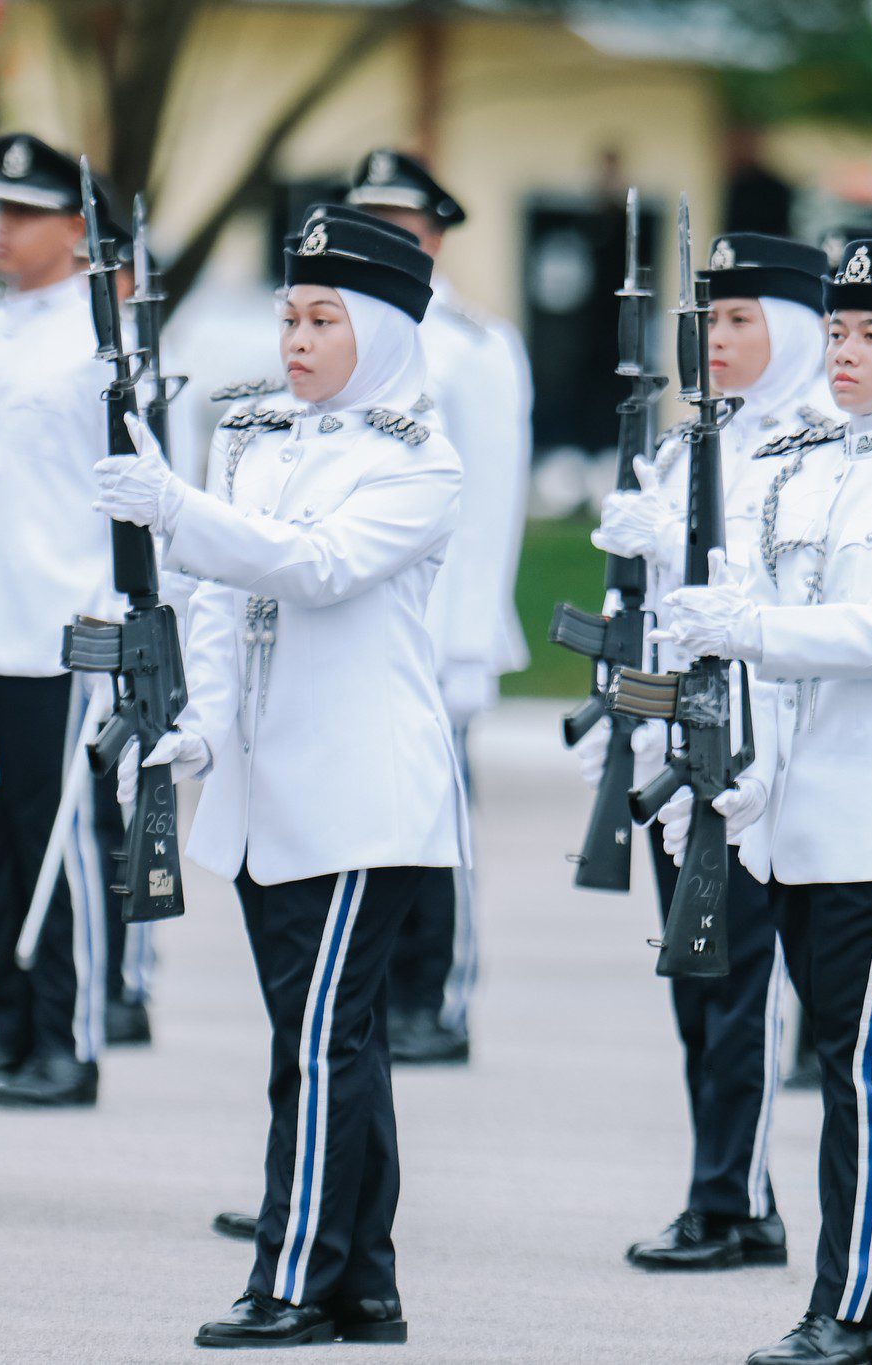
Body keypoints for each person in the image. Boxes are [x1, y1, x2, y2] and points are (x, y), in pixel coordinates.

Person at [93, 206, 465, 1347]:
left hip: (362, 795)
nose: (297, 339)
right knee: (325, 1040)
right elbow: (214, 600)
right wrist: (193, 722)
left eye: (324, 318)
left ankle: (293, 1278)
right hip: (268, 793)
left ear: (389, 332)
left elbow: (315, 567)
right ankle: (365, 1283)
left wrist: (180, 512)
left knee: (317, 1043)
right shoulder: (254, 435)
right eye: (290, 315)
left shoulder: (417, 460)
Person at [659, 237, 872, 1365]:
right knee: (861, 1060)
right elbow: (748, 614)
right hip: (799, 814)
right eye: (843, 331)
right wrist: (731, 761)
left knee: (860, 1060)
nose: (849, 353)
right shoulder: (791, 460)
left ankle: (847, 1309)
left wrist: (752, 629)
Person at [588, 231, 833, 1273]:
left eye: (739, 320)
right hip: (672, 745)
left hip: (756, 750)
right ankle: (728, 1185)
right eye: (710, 321)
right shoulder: (692, 443)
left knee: (738, 987)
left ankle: (730, 1199)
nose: (716, 342)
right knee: (694, 980)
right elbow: (641, 613)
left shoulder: (821, 444)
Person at [0, 133, 117, 1108]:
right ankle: (11, 1030)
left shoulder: (103, 335)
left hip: (61, 618)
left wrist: (125, 615)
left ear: (75, 226)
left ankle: (70, 1035)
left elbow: (135, 486)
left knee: (57, 842)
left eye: (21, 213)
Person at [346, 147, 530, 1067]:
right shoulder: (337, 334)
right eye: (366, 222)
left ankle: (435, 995)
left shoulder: (474, 346)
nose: (381, 241)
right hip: (353, 626)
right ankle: (373, 994)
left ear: (435, 235)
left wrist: (467, 647)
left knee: (431, 822)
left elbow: (493, 500)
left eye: (398, 227)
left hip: (437, 630)